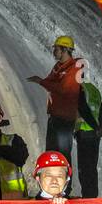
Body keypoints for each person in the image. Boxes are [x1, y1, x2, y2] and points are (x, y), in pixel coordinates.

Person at [26, 35, 82, 165]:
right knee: (50, 154)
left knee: (62, 155)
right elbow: (49, 82)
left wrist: (41, 81)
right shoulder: (58, 67)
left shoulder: (74, 68)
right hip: (55, 117)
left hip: (65, 120)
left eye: (56, 49)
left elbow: (63, 89)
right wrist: (42, 81)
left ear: (65, 50)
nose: (54, 51)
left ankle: (66, 185)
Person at [73, 80, 102, 198]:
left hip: (85, 134)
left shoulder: (79, 89)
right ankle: (92, 197)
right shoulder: (93, 89)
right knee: (92, 169)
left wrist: (96, 127)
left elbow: (83, 109)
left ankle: (87, 199)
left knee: (85, 170)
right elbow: (100, 110)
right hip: (94, 136)